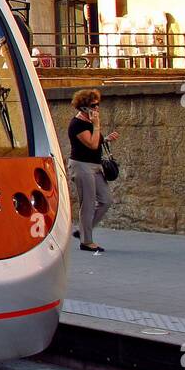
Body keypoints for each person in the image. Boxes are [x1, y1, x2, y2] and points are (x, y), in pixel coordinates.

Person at [68, 88, 120, 253]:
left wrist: (106, 138)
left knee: (106, 200)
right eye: (94, 105)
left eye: (98, 104)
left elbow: (96, 142)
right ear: (84, 107)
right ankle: (87, 241)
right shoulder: (77, 124)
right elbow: (91, 144)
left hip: (96, 166)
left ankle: (83, 231)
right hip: (82, 166)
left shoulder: (89, 123)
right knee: (88, 204)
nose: (97, 108)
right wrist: (97, 125)